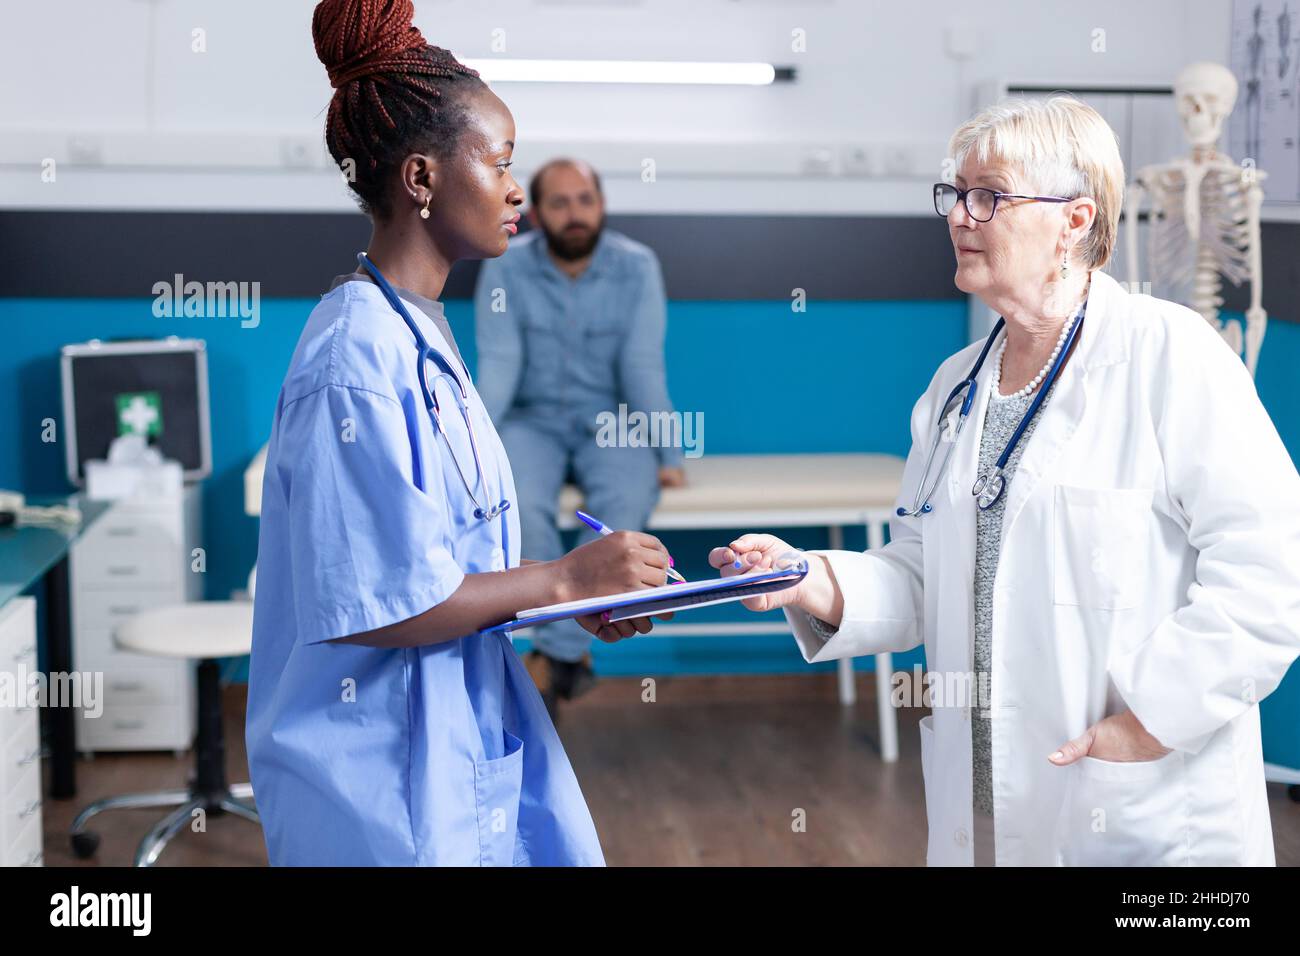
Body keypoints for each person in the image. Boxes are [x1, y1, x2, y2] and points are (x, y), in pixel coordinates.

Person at [701, 97, 1300, 866]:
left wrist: (1153, 719)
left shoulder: (1171, 357)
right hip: (988, 798)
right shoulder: (956, 387)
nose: (960, 215)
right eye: (955, 194)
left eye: (990, 195)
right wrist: (808, 579)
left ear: (1075, 222)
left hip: (1138, 803)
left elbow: (1273, 569)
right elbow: (922, 573)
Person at [246, 0, 673, 866]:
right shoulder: (355, 359)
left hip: (451, 749)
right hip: (377, 782)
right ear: (420, 179)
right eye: (501, 162)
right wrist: (557, 579)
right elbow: (386, 601)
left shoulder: (421, 331)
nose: (517, 191)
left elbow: (450, 564)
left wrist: (578, 594)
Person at [474, 158, 684, 714]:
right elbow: (498, 366)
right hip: (530, 420)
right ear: (537, 214)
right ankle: (573, 655)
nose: (575, 214)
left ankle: (556, 652)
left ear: (601, 205)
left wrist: (669, 452)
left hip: (610, 423)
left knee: (624, 503)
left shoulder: (637, 266)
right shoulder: (506, 267)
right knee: (520, 505)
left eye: (585, 200)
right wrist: (467, 447)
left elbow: (643, 367)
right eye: (560, 203)